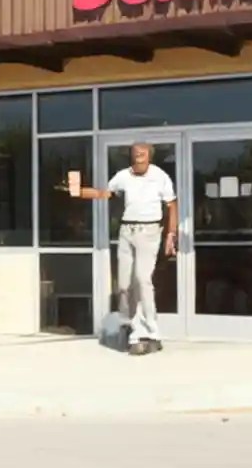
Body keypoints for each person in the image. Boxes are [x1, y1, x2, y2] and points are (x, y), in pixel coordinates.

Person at [68, 143, 177, 355]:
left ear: (150, 156)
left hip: (149, 231)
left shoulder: (160, 176)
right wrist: (79, 192)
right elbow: (104, 193)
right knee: (125, 285)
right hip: (127, 231)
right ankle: (134, 327)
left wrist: (171, 234)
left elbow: (172, 205)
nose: (139, 155)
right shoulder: (123, 176)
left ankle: (147, 333)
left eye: (143, 153)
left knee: (142, 280)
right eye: (135, 153)